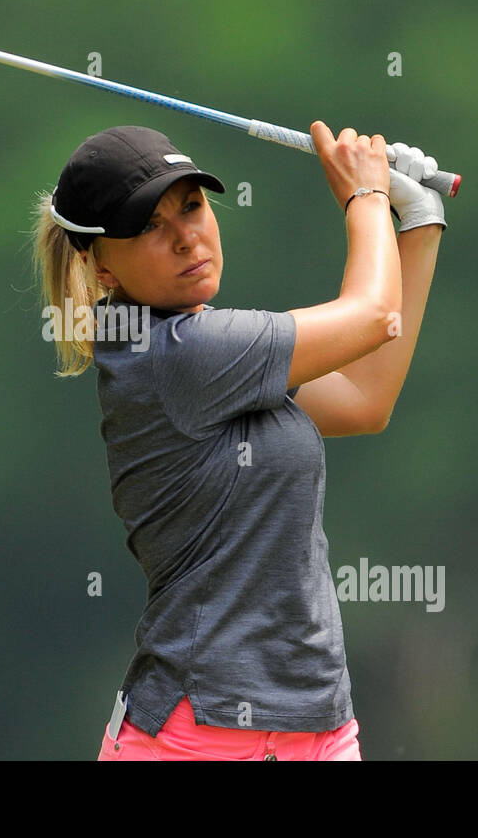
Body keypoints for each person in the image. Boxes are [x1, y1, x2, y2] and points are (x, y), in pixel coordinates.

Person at [31, 123, 446, 760]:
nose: (183, 237)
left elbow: (366, 399)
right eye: (147, 226)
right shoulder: (179, 357)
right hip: (197, 738)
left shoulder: (215, 352)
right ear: (101, 264)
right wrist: (364, 199)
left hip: (322, 728)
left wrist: (415, 224)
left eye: (191, 206)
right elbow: (371, 316)